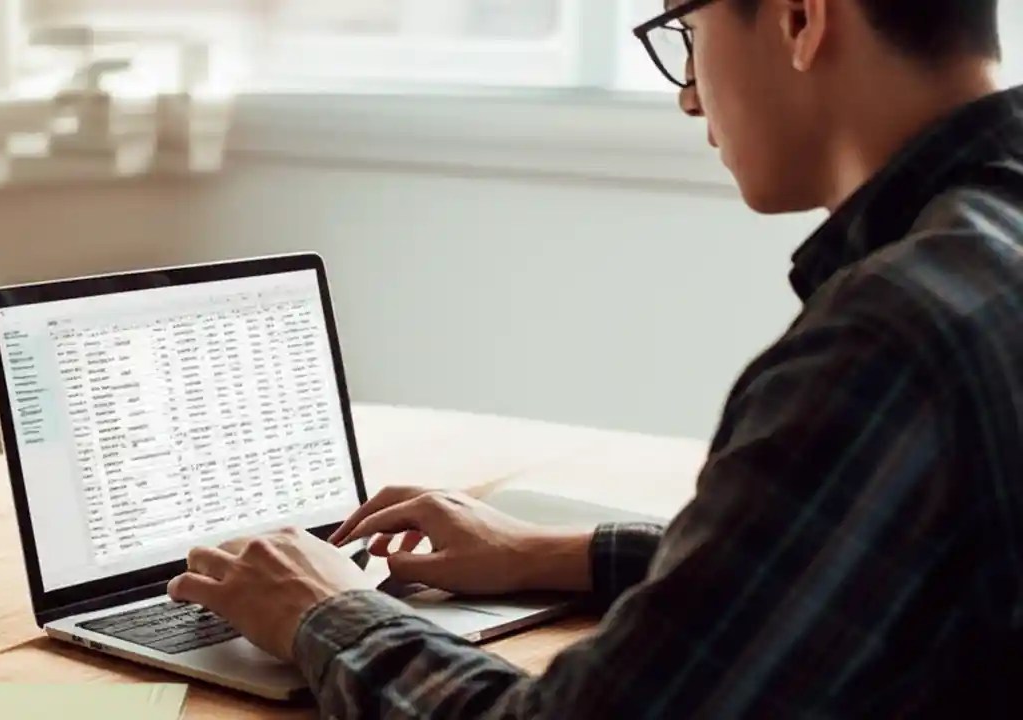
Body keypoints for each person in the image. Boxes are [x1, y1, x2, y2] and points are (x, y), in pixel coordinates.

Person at [169, 0, 1023, 716]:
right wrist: (553, 554)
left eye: (687, 32)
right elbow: (858, 557)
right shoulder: (985, 254)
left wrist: (325, 608)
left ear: (801, 18)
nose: (689, 99)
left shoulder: (889, 339)